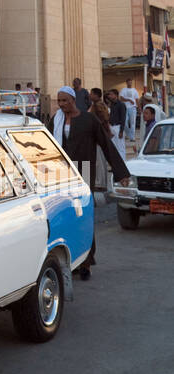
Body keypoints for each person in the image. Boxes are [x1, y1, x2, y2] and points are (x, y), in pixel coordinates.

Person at [51, 85, 131, 279]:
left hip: (84, 171)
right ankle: (71, 260)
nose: (62, 104)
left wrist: (121, 173)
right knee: (64, 218)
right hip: (61, 175)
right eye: (59, 101)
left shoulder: (88, 119)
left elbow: (106, 144)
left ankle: (86, 262)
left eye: (65, 100)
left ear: (73, 100)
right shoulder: (56, 120)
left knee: (84, 217)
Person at [105, 89, 127, 163]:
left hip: (118, 127)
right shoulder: (112, 104)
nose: (109, 96)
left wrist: (121, 131)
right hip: (112, 127)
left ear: (115, 95)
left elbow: (123, 118)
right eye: (109, 94)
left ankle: (123, 164)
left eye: (111, 94)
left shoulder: (121, 104)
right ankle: (116, 164)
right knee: (114, 147)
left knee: (120, 147)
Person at [121, 77, 139, 142]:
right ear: (126, 83)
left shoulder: (134, 90)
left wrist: (139, 107)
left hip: (133, 108)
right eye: (128, 82)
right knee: (125, 122)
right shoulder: (123, 90)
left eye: (131, 82)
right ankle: (128, 134)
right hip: (125, 108)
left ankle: (132, 137)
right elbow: (121, 98)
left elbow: (137, 99)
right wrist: (128, 99)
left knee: (132, 123)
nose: (130, 83)